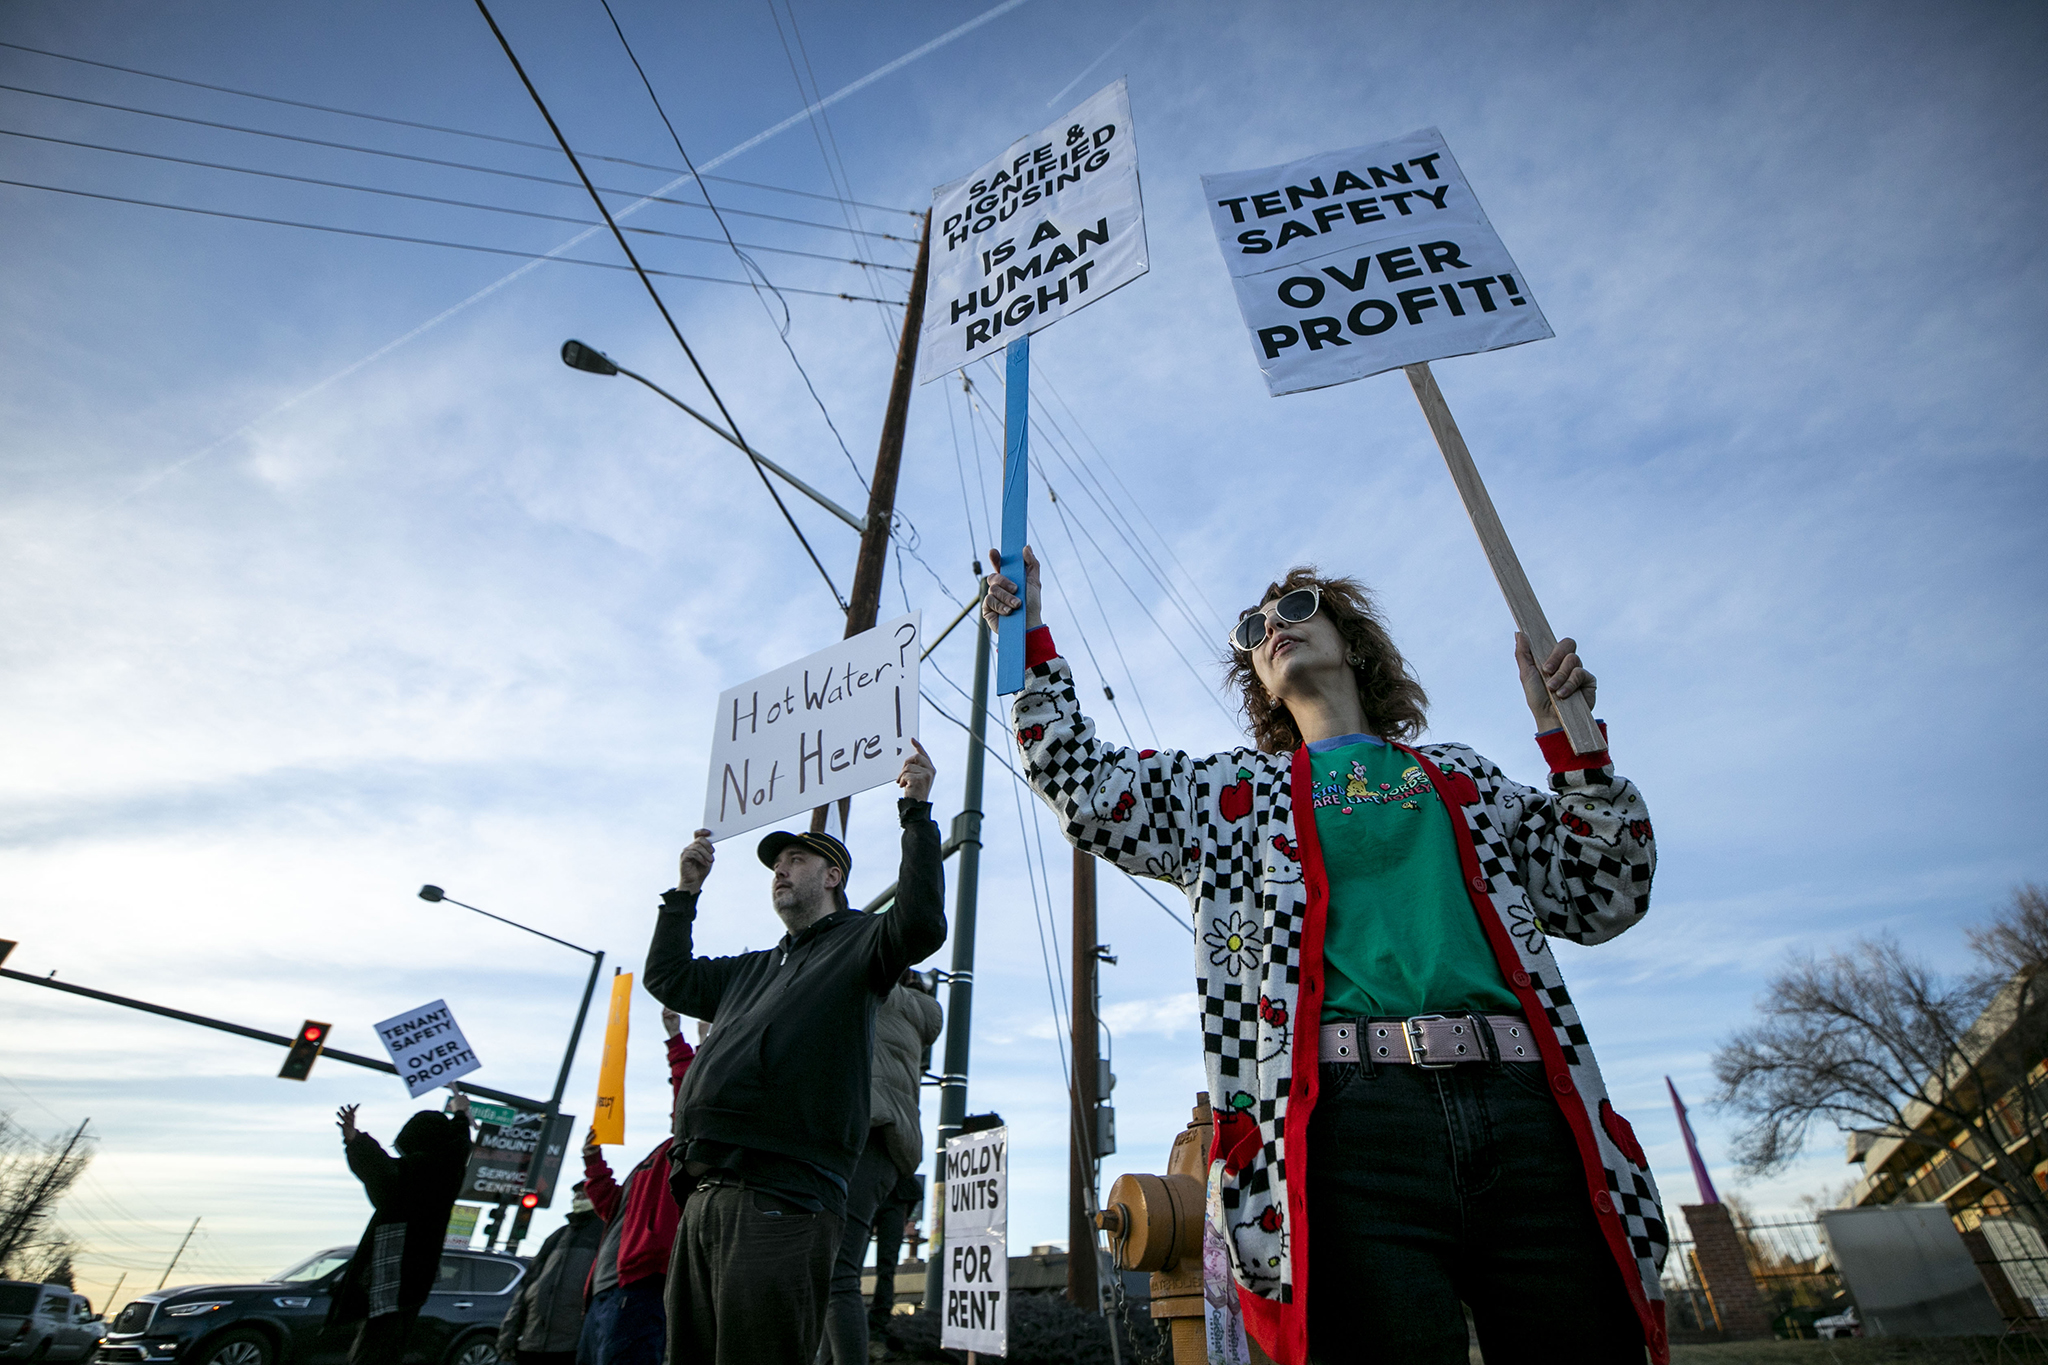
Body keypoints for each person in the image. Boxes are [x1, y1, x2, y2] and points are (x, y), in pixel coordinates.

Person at [984, 548, 1668, 1365]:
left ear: (1353, 642)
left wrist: (1574, 747)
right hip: (1347, 1129)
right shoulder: (1229, 797)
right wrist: (1028, 637)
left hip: (1528, 1115)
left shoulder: (1462, 777)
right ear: (1261, 686)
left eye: (1298, 606)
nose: (1271, 626)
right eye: (1253, 627)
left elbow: (1604, 887)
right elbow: (1086, 784)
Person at [644, 739, 947, 1365]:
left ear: (832, 875)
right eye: (775, 864)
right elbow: (668, 978)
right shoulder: (752, 969)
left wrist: (915, 811)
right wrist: (686, 891)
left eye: (794, 860)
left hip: (783, 1198)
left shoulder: (862, 943)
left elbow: (919, 923)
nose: (779, 871)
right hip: (703, 1197)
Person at [820, 968, 941, 1364]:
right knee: (833, 1271)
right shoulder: (911, 1015)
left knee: (837, 1271)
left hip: (868, 1137)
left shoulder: (889, 1000)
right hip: (884, 1148)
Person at [577, 1009, 697, 1365]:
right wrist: (593, 1163)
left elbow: (687, 1093)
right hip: (603, 1291)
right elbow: (613, 1211)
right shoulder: (649, 1160)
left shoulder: (681, 1150)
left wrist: (675, 1040)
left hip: (640, 1288)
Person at [330, 1091, 474, 1365]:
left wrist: (354, 1140)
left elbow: (379, 1169)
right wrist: (460, 1114)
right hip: (415, 1275)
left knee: (377, 1344)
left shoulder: (419, 1170)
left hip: (391, 1269)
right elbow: (457, 1148)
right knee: (386, 1342)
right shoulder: (447, 1174)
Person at [497, 1181, 603, 1365]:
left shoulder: (604, 1234)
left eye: (584, 1193)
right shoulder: (556, 1237)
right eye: (576, 1194)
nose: (578, 1198)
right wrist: (508, 1336)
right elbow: (525, 1288)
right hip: (531, 1344)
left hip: (572, 1347)